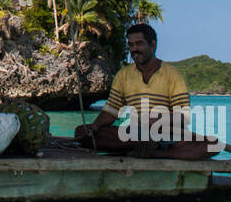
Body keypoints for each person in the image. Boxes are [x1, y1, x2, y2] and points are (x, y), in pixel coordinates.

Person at [74, 23, 217, 159]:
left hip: (167, 135)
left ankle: (157, 154)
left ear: (153, 45)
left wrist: (158, 120)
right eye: (131, 45)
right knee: (82, 132)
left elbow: (183, 117)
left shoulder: (172, 75)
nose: (134, 49)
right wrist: (95, 126)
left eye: (139, 43)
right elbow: (111, 111)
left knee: (213, 144)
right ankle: (142, 147)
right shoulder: (123, 75)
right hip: (135, 135)